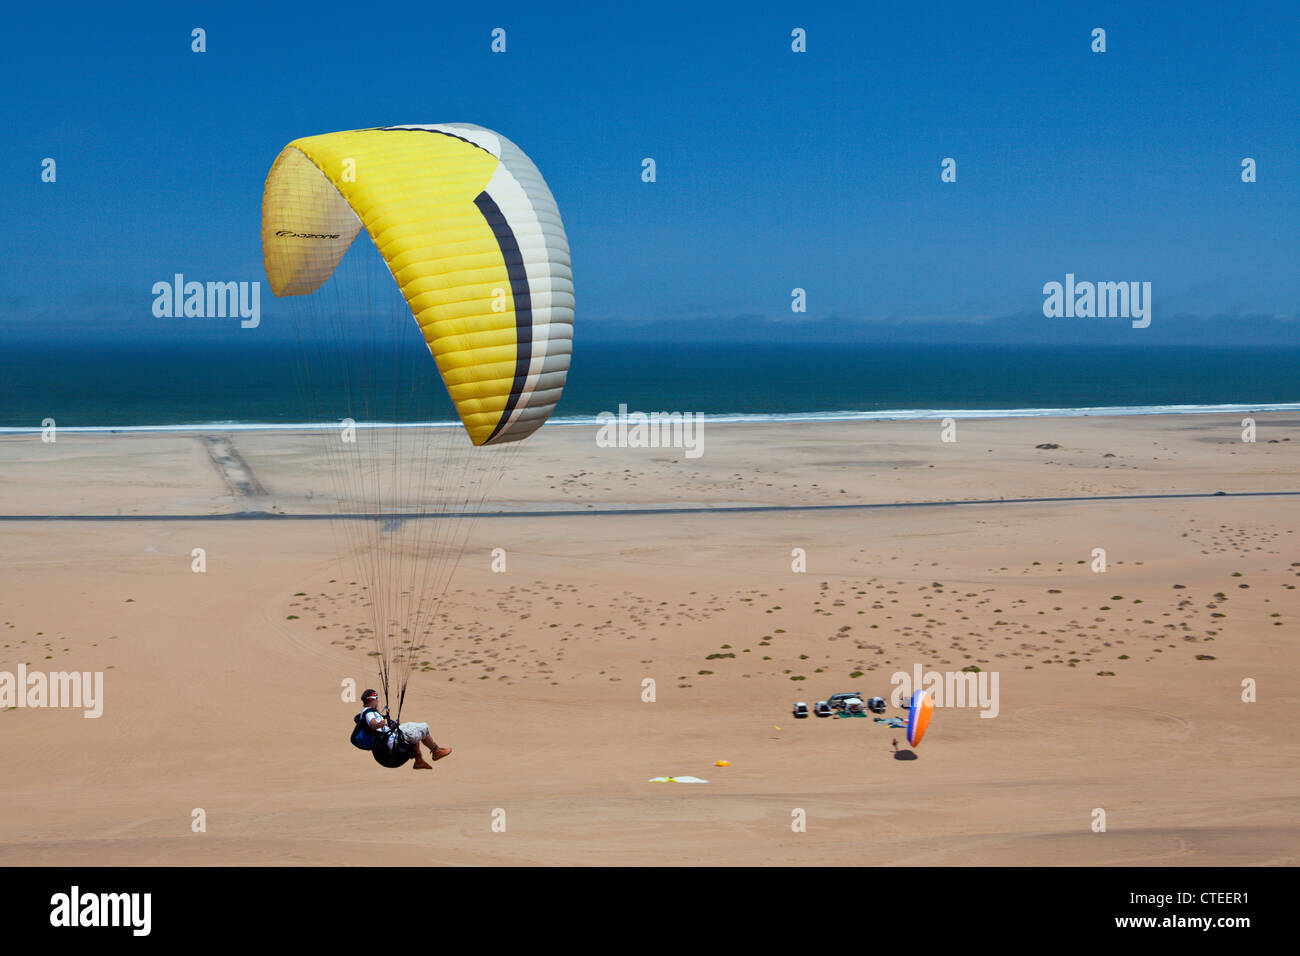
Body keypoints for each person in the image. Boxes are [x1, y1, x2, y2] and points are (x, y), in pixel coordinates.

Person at [360, 689, 451, 770]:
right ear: (371, 699)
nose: (377, 702)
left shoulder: (372, 712)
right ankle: (436, 751)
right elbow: (372, 724)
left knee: (415, 731)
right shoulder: (368, 712)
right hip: (393, 747)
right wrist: (379, 724)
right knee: (424, 727)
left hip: (390, 743)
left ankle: (419, 760)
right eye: (376, 699)